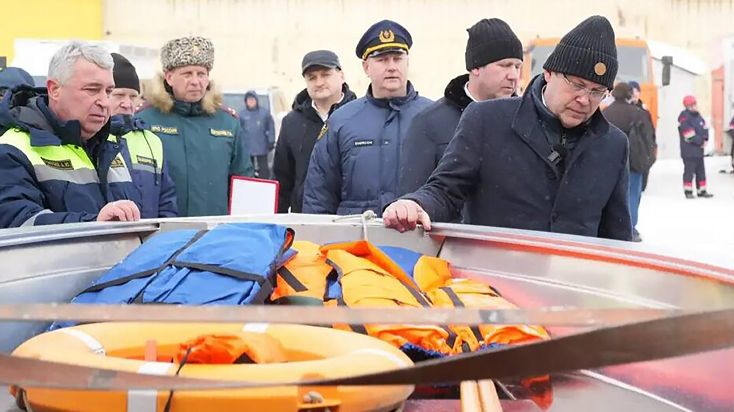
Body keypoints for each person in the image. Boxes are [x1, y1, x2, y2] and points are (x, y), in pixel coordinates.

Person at [383, 16, 632, 242]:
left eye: (597, 91)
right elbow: (445, 190)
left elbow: (617, 236)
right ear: (548, 73)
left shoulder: (613, 145)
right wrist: (416, 204)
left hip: (573, 276)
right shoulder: (487, 120)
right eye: (576, 84)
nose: (584, 99)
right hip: (493, 274)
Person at [0, 41, 141, 228]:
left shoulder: (110, 145)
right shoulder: (12, 148)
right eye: (92, 90)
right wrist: (94, 224)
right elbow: (17, 222)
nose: (104, 102)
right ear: (54, 89)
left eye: (108, 91)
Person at [303, 19, 432, 215]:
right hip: (357, 233)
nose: (391, 67)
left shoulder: (433, 117)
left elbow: (452, 190)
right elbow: (319, 196)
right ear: (366, 67)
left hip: (419, 232)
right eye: (382, 59)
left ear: (407, 62)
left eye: (397, 58)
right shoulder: (341, 121)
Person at [398, 18, 523, 196]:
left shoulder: (526, 120)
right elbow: (414, 196)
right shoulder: (429, 124)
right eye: (504, 65)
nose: (513, 75)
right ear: (476, 67)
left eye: (517, 67)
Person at [136, 36, 253, 217]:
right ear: (169, 77)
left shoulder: (228, 123)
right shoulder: (145, 120)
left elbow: (243, 182)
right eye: (187, 74)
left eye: (201, 74)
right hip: (164, 228)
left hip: (215, 229)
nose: (195, 81)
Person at [272, 50, 357, 213]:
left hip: (350, 218)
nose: (319, 82)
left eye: (325, 75)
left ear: (341, 75)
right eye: (312, 78)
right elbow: (282, 179)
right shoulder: (292, 122)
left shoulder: (360, 116)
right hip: (305, 217)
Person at [109, 52, 177, 218]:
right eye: (119, 95)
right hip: (107, 233)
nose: (127, 104)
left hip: (149, 234)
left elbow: (167, 201)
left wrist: (164, 233)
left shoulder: (152, 141)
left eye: (133, 97)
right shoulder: (89, 138)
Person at [603, 82, 655, 242]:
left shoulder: (606, 113)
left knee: (610, 194)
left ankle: (611, 226)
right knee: (632, 194)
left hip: (609, 161)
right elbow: (648, 137)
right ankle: (630, 228)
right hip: (634, 161)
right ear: (629, 95)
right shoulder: (638, 113)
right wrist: (648, 158)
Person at [677, 95, 713, 198]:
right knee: (689, 172)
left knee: (701, 171)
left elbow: (705, 128)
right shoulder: (684, 118)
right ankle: (688, 191)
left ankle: (702, 190)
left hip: (699, 151)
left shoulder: (699, 116)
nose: (694, 106)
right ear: (687, 106)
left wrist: (705, 139)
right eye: (691, 105)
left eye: (694, 104)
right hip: (689, 151)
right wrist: (700, 141)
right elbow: (688, 134)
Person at [628, 80, 657, 190]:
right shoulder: (625, 110)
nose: (634, 94)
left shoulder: (645, 112)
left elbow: (650, 133)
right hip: (630, 155)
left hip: (643, 154)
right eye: (632, 91)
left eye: (636, 91)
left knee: (640, 188)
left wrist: (652, 149)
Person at [239, 90, 275, 179]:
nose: (251, 102)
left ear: (256, 100)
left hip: (261, 145)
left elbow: (270, 127)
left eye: (252, 99)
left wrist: (271, 140)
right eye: (249, 100)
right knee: (248, 167)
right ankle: (249, 181)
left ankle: (265, 182)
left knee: (263, 168)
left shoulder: (264, 113)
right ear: (246, 102)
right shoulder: (242, 114)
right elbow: (239, 130)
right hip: (247, 146)